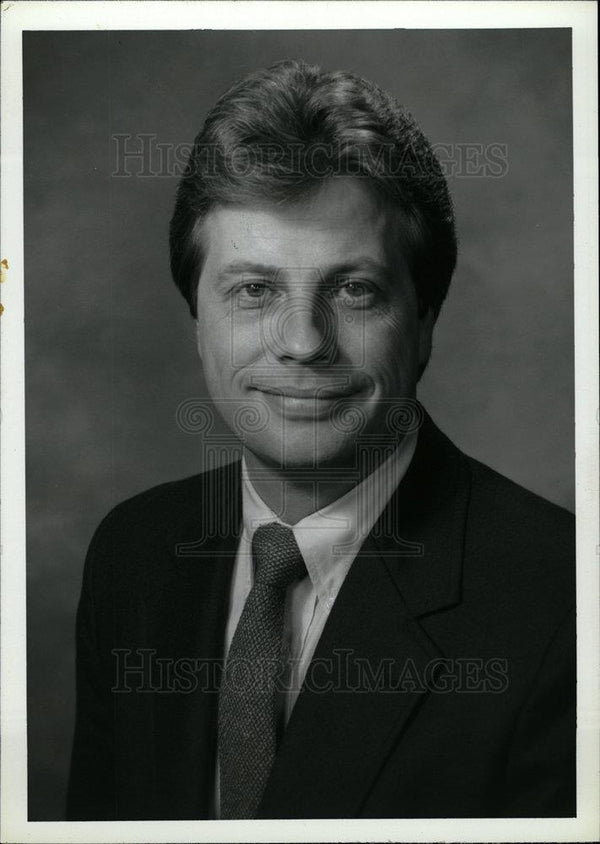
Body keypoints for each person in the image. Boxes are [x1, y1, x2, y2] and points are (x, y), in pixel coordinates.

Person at [66, 60, 575, 821]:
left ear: (425, 320)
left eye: (354, 290)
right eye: (254, 291)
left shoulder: (563, 600)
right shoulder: (130, 555)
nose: (303, 342)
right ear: (197, 321)